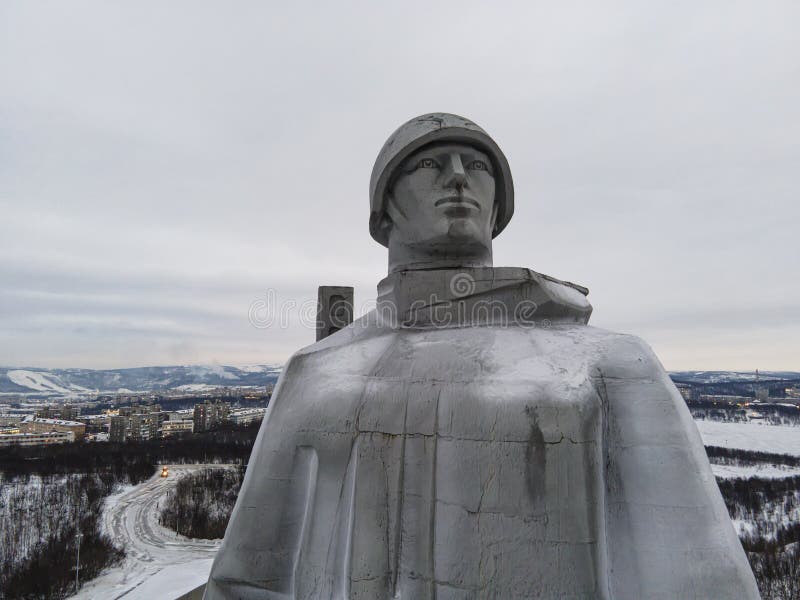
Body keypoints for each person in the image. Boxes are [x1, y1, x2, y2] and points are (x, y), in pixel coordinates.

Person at [205, 113, 758, 599]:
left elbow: (695, 574)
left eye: (478, 165)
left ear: (497, 210)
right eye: (428, 164)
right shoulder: (315, 371)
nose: (459, 176)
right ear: (383, 214)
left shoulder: (607, 359)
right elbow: (247, 579)